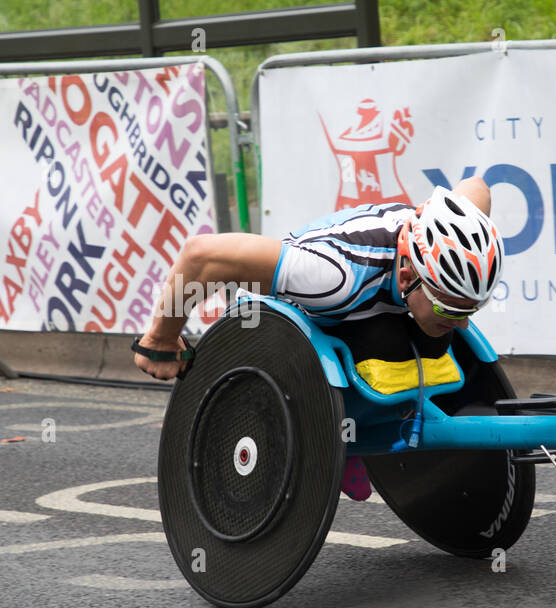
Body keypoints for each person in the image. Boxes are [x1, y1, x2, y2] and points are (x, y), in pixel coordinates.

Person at [132, 177, 504, 500]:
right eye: (451, 309)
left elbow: (477, 189)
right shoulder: (330, 277)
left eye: (470, 310)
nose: (464, 323)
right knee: (389, 339)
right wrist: (161, 340)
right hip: (281, 335)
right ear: (407, 279)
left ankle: (365, 419)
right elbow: (202, 257)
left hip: (370, 306)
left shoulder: (444, 234)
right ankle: (340, 434)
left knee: (437, 339)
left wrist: (445, 305)